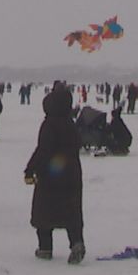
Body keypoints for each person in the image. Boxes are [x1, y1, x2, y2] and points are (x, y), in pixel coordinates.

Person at [25, 84, 86, 263]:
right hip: (72, 174)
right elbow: (77, 144)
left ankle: (45, 247)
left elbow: (43, 150)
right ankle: (77, 243)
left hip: (51, 176)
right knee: (72, 213)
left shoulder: (49, 124)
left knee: (44, 211)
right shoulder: (71, 123)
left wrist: (31, 168)